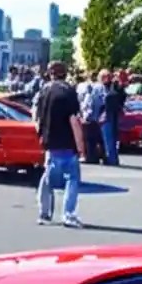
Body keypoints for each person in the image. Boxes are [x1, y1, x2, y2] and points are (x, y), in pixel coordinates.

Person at [34, 62, 86, 227]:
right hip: (67, 143)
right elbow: (74, 121)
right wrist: (81, 147)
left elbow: (36, 116)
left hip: (50, 142)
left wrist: (41, 134)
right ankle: (68, 214)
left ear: (50, 73)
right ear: (65, 73)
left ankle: (44, 213)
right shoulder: (69, 92)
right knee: (72, 178)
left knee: (48, 178)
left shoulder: (43, 91)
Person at [79, 69, 109, 164]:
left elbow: (89, 102)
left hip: (92, 116)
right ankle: (104, 157)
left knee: (90, 139)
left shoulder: (93, 88)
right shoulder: (102, 87)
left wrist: (86, 115)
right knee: (99, 138)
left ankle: (92, 158)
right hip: (97, 117)